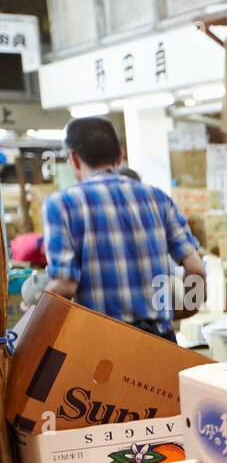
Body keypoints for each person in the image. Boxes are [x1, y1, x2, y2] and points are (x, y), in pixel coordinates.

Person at [42, 117, 205, 339]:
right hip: (161, 341)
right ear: (120, 155)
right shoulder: (158, 199)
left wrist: (34, 319)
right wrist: (175, 314)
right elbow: (196, 269)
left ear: (74, 158)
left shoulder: (62, 205)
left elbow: (64, 285)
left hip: (106, 345)